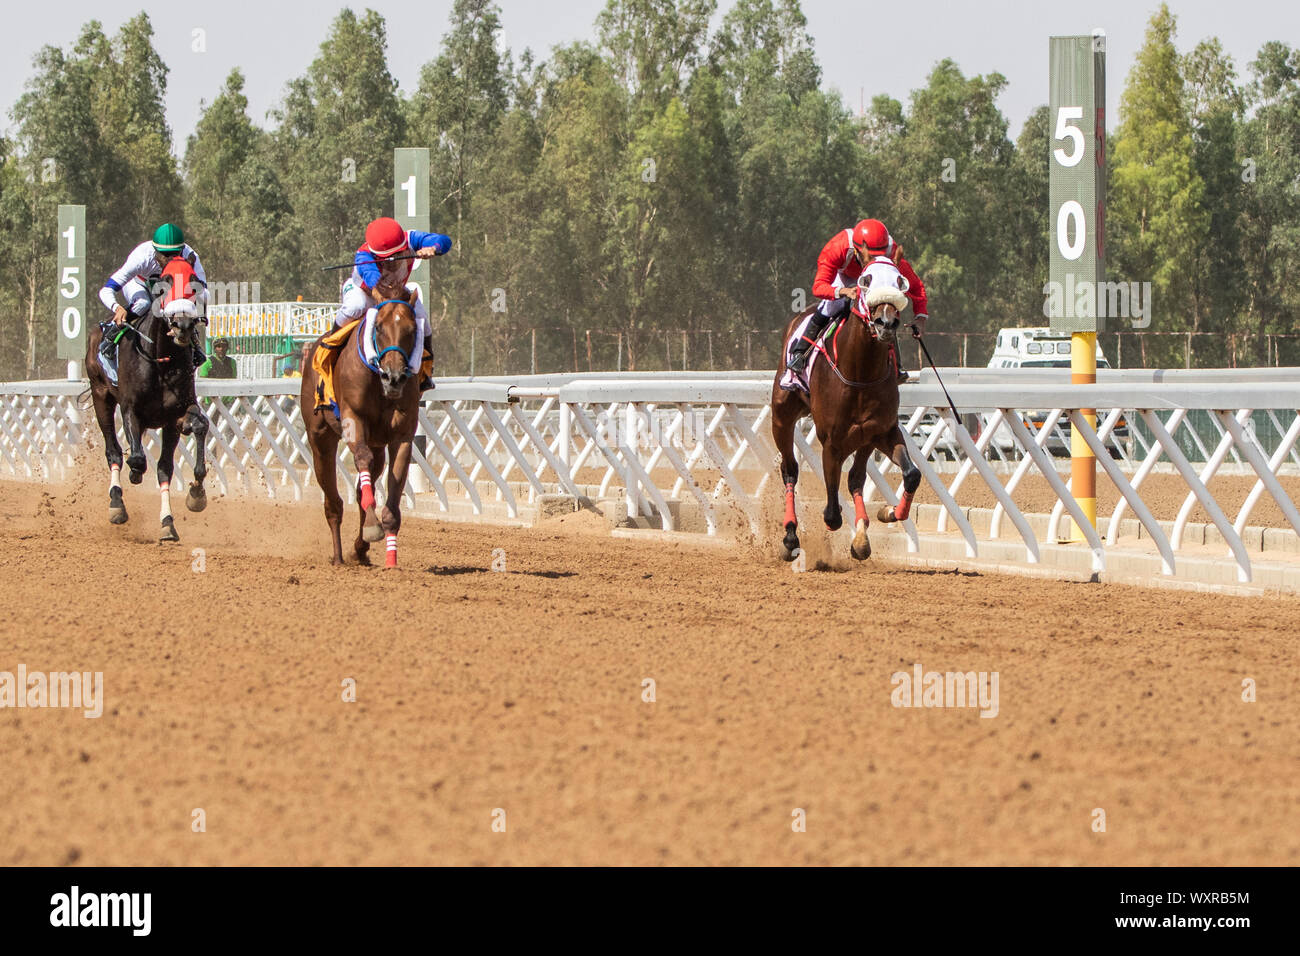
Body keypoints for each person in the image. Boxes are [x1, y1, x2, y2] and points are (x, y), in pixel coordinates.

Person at [786, 219, 928, 381]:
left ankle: (897, 366)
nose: (872, 262)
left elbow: (916, 287)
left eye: (878, 257)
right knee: (831, 307)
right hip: (845, 278)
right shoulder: (838, 247)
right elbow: (818, 287)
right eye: (869, 257)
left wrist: (921, 317)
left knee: (885, 312)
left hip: (874, 281)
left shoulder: (891, 252)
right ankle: (800, 353)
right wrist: (843, 291)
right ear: (856, 251)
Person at [334, 217, 451, 390]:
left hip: (395, 293)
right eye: (387, 258)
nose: (394, 261)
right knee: (356, 306)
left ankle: (426, 370)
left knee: (422, 318)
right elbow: (374, 280)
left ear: (404, 246)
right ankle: (331, 352)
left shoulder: (410, 238)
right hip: (368, 292)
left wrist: (433, 248)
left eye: (398, 255)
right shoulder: (363, 256)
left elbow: (444, 240)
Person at [98, 223, 209, 378]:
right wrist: (117, 307)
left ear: (182, 250)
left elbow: (203, 291)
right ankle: (110, 337)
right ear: (155, 251)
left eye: (176, 253)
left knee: (183, 308)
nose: (171, 259)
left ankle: (195, 345)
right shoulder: (141, 257)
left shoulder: (191, 256)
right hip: (139, 284)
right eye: (165, 254)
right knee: (144, 304)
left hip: (168, 289)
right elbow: (106, 290)